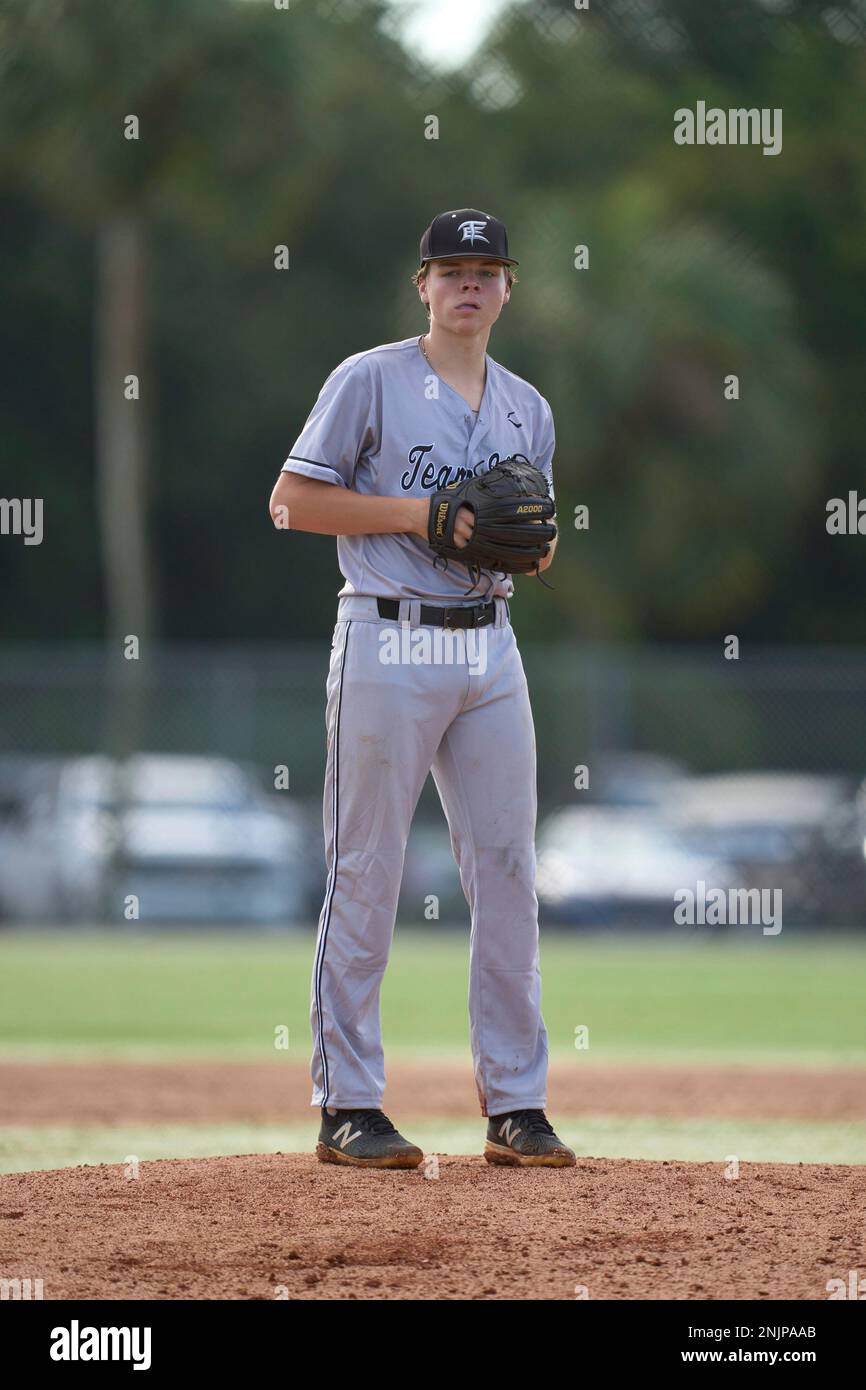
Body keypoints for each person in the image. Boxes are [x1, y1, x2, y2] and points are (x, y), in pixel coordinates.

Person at [268, 208, 576, 1169]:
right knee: (369, 869)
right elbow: (292, 500)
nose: (468, 284)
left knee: (509, 871)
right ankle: (348, 1105)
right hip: (389, 633)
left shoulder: (528, 405)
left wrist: (531, 546)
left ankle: (516, 1107)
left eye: (486, 269)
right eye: (451, 268)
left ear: (508, 286)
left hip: (490, 648)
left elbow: (538, 540)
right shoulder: (370, 380)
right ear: (424, 286)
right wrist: (423, 514)